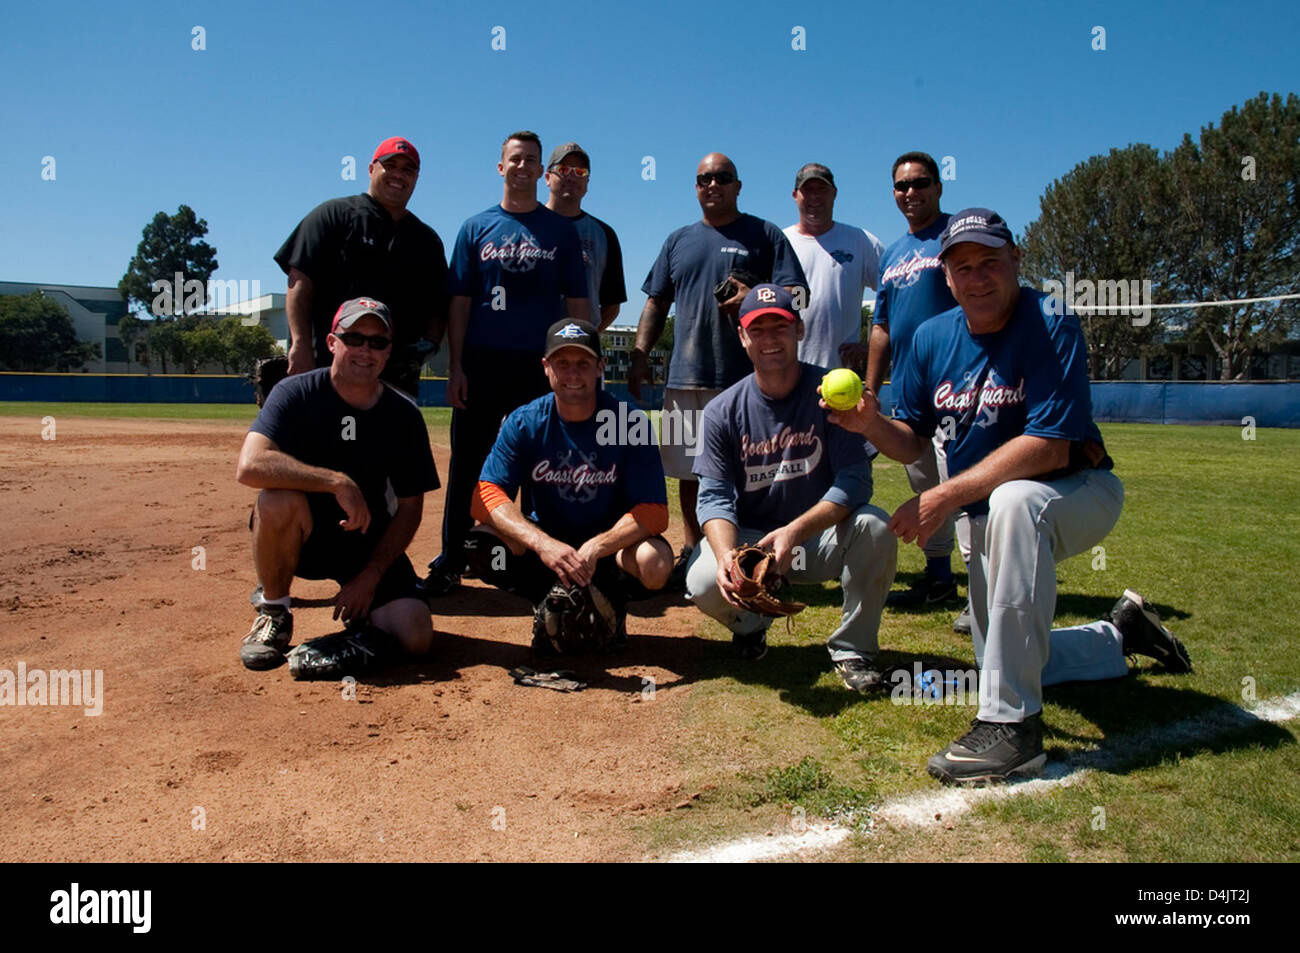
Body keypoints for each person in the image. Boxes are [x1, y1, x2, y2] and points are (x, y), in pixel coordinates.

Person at [827, 209, 1192, 784]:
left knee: (1015, 500)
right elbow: (912, 442)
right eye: (962, 267)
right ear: (946, 277)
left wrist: (942, 497)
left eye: (989, 262)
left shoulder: (1051, 318)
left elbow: (1049, 446)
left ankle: (1012, 727)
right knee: (995, 655)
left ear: (1016, 261)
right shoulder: (929, 337)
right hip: (990, 510)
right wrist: (870, 424)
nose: (976, 278)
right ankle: (1121, 634)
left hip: (1077, 490)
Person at [686, 284, 898, 691]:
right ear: (743, 337)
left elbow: (855, 481)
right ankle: (750, 625)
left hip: (817, 540)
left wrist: (795, 532)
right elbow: (713, 497)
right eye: (757, 329)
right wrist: (729, 555)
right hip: (756, 542)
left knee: (875, 526)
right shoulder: (722, 411)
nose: (770, 339)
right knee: (703, 579)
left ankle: (854, 649)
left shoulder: (830, 397)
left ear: (799, 330)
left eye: (779, 327)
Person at [423, 131, 592, 597]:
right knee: (469, 463)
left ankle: (541, 563)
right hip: (481, 362)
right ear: (501, 168)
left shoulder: (559, 231)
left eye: (531, 161)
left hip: (539, 368)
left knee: (540, 466)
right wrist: (455, 366)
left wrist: (583, 365)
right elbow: (458, 303)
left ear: (542, 172)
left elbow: (577, 303)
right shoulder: (476, 227)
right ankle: (452, 558)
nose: (522, 167)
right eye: (514, 159)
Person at [236, 297, 440, 678]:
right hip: (304, 534)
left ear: (388, 351)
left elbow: (411, 508)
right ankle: (274, 612)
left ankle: (350, 638)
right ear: (332, 342)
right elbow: (250, 466)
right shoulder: (294, 393)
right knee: (276, 498)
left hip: (366, 540)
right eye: (355, 338)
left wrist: (371, 576)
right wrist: (335, 482)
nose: (366, 350)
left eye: (378, 342)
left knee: (415, 635)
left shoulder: (403, 415)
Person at [629, 153, 808, 585]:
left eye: (722, 178)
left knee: (754, 473)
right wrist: (639, 354)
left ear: (738, 185)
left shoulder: (763, 234)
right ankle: (695, 550)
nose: (713, 185)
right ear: (695, 187)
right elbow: (656, 300)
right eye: (704, 179)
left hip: (746, 379)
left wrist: (756, 294)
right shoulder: (678, 240)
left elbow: (798, 295)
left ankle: (762, 555)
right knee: (690, 474)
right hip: (686, 375)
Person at [465, 319, 673, 650]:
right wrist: (543, 544)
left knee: (656, 563)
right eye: (562, 363)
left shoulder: (628, 422)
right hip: (547, 551)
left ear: (600, 367)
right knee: (481, 548)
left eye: (583, 363)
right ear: (546, 367)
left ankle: (612, 605)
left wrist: (595, 548)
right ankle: (544, 600)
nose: (573, 374)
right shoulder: (525, 421)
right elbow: (485, 497)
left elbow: (655, 513)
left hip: (610, 552)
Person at [868, 152, 969, 621]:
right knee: (926, 484)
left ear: (939, 186)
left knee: (962, 486)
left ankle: (985, 587)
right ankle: (940, 579)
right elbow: (882, 327)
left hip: (955, 384)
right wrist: (872, 387)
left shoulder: (957, 236)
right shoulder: (891, 253)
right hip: (908, 390)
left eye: (920, 183)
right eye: (902, 186)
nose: (911, 193)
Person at [273, 136, 448, 397]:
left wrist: (430, 345)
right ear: (371, 169)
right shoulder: (334, 216)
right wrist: (300, 345)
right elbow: (299, 279)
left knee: (389, 438)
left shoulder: (426, 240)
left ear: (416, 178)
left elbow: (439, 305)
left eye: (408, 169)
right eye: (391, 165)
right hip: (329, 365)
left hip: (397, 374)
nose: (399, 175)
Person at [781, 163, 884, 370]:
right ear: (794, 195)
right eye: (807, 190)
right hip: (788, 374)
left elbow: (895, 296)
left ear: (834, 194)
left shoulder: (862, 241)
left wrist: (873, 346)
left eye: (822, 190)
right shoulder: (779, 242)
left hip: (842, 377)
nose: (815, 197)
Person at [544, 142, 627, 331]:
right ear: (547, 177)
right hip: (529, 345)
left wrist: (586, 338)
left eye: (580, 172)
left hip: (576, 350)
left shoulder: (604, 234)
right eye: (563, 169)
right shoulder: (527, 226)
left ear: (587, 182)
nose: (572, 176)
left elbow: (612, 305)